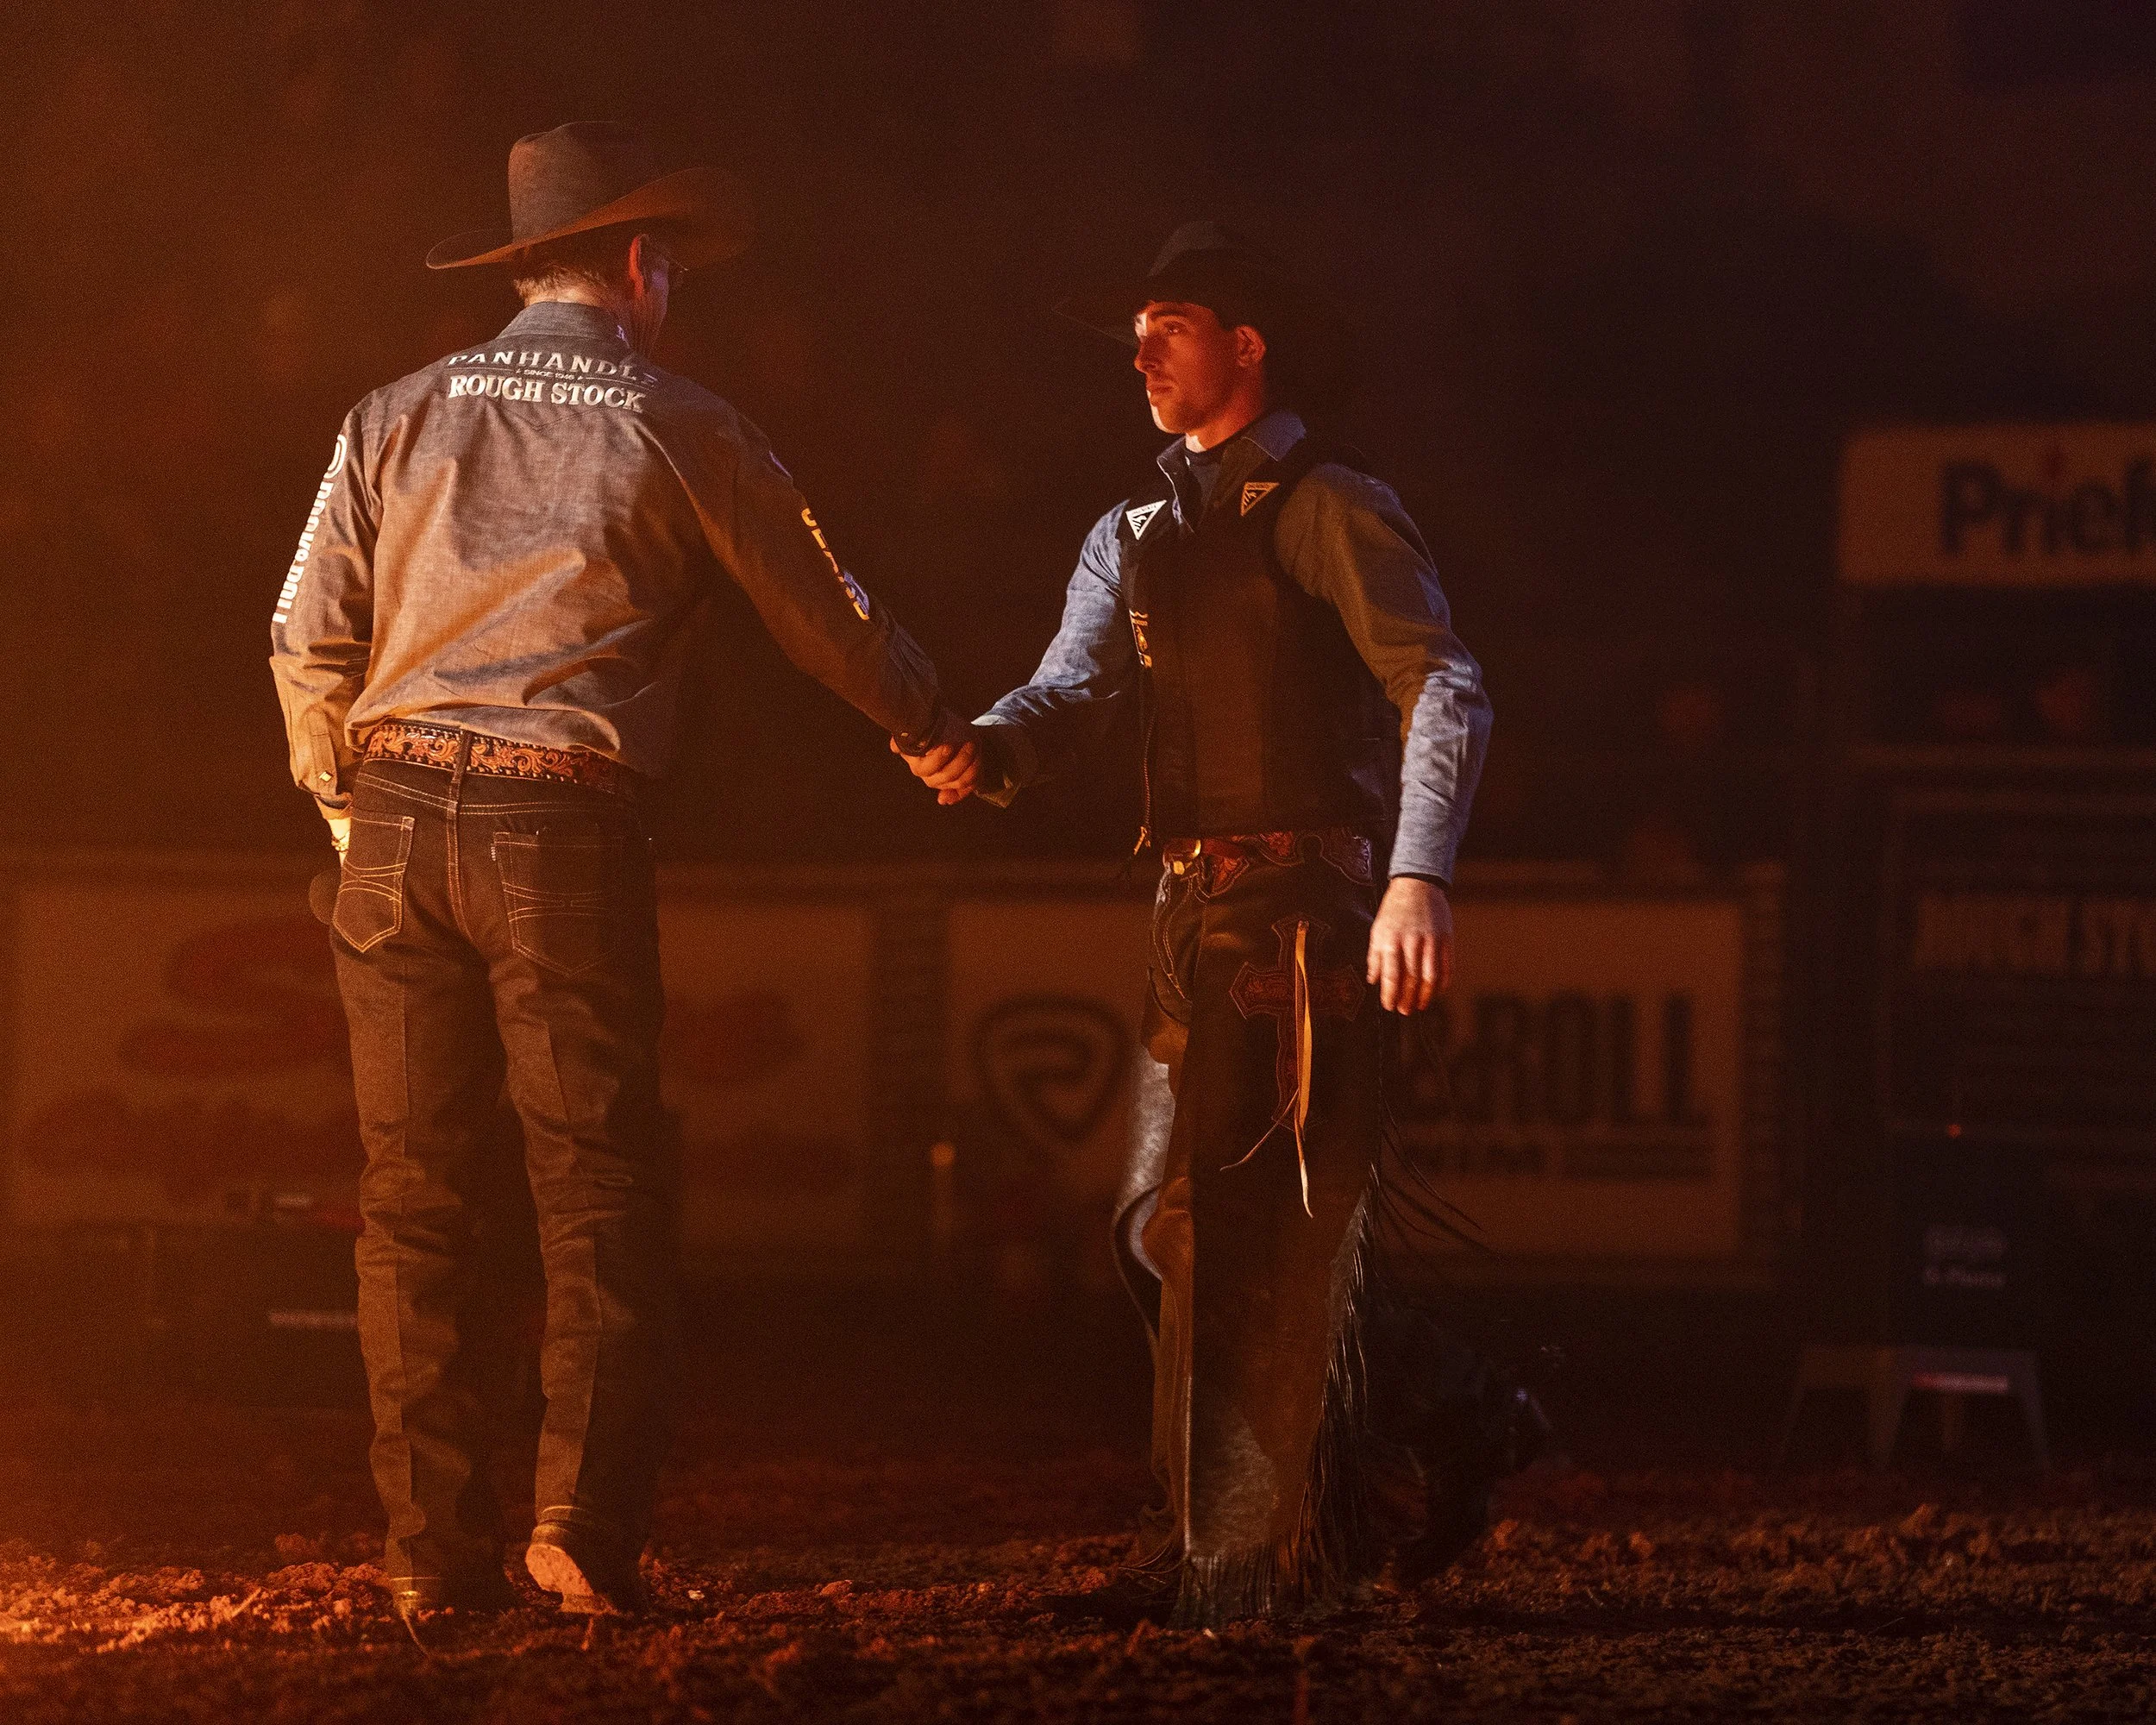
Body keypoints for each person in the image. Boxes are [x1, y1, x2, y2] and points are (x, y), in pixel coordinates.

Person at [270, 122, 967, 1619]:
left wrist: (347, 809)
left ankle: (428, 1555)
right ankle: (579, 1526)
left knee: (414, 1200)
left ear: (527, 267)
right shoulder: (685, 421)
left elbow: (301, 635)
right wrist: (929, 723)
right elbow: (822, 613)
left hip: (393, 818)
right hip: (558, 823)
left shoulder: (391, 412)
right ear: (642, 265)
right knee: (596, 1186)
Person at [901, 223, 1517, 1625]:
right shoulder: (1131, 534)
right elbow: (1069, 692)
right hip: (1192, 909)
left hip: (1299, 912)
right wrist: (987, 748)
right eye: (1135, 333)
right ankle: (1451, 1417)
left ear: (1247, 346)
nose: (1139, 354)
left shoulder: (1331, 504)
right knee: (1157, 1232)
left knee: (1242, 1232)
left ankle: (1233, 1561)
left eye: (1167, 326)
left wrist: (1416, 876)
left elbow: (1441, 683)